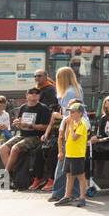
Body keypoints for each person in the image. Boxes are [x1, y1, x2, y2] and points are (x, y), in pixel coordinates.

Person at [46, 66, 85, 203]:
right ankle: (73, 193)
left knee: (63, 162)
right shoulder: (77, 88)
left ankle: (58, 192)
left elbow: (68, 115)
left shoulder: (68, 92)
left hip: (70, 129)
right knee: (73, 164)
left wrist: (58, 115)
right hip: (78, 128)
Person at [0, 88, 52, 186]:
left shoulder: (43, 108)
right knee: (3, 148)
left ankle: (5, 176)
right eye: (31, 93)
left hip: (36, 137)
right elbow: (20, 123)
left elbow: (46, 126)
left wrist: (30, 126)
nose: (34, 95)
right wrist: (17, 124)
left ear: (39, 96)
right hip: (22, 135)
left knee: (15, 148)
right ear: (27, 96)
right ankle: (11, 175)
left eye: (37, 93)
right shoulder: (23, 107)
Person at [54, 101, 90, 207]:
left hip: (77, 155)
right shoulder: (73, 123)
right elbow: (66, 137)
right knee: (69, 175)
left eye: (73, 112)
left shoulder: (82, 125)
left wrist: (69, 125)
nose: (71, 114)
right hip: (69, 154)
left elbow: (74, 137)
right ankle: (67, 196)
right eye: (70, 112)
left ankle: (82, 197)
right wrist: (68, 125)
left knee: (80, 176)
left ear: (80, 113)